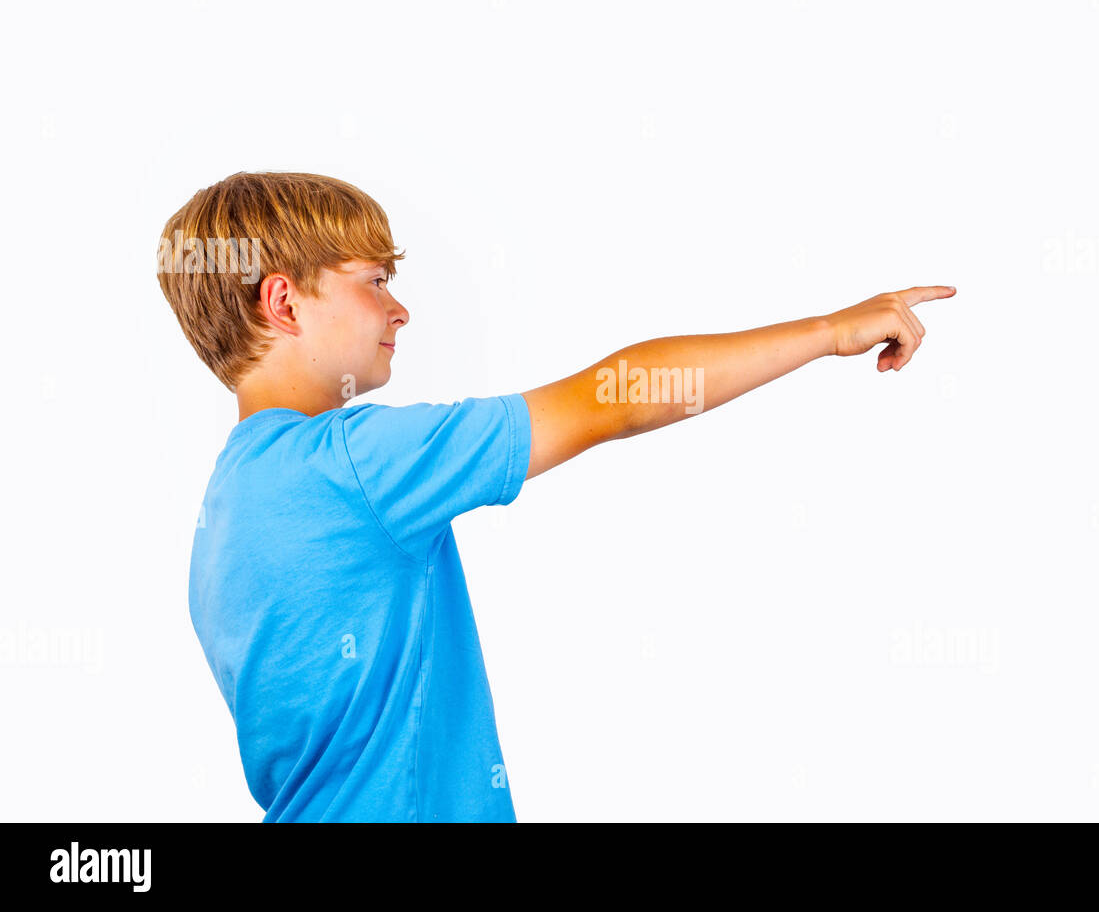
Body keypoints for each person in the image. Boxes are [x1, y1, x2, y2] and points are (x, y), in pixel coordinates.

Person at [157, 170, 957, 821]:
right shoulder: (356, 462)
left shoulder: (226, 509)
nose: (400, 308)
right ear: (285, 302)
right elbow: (618, 398)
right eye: (374, 281)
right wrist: (827, 332)